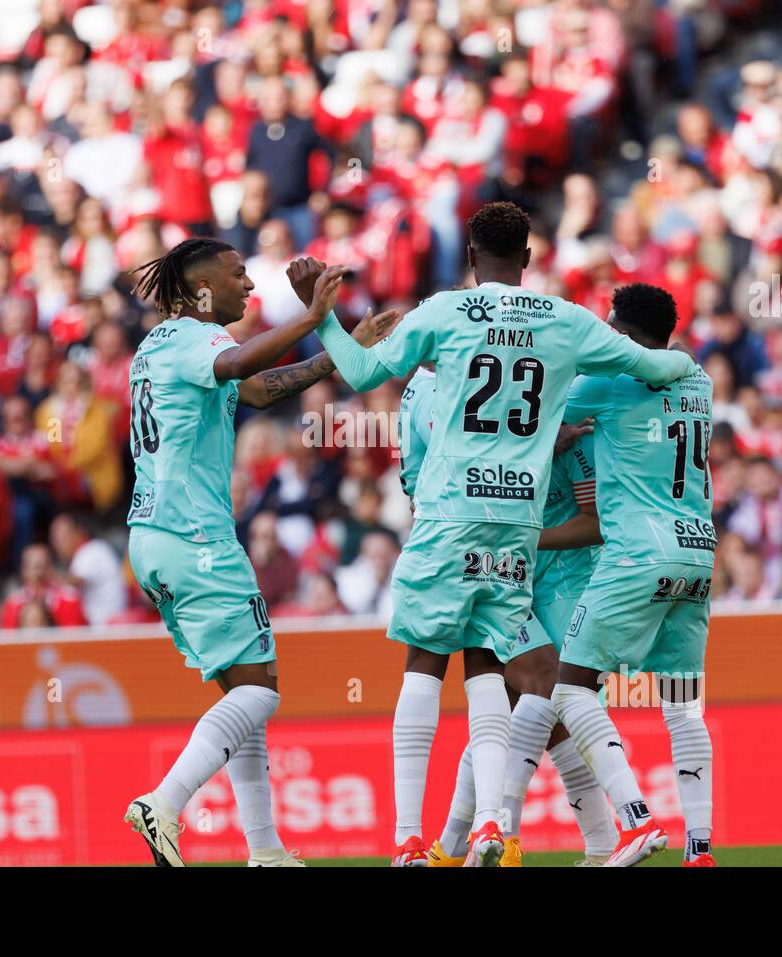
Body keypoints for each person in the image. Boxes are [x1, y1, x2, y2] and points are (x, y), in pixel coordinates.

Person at [306, 202, 695, 866]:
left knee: (426, 661)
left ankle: (408, 836)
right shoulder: (567, 321)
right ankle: (489, 823)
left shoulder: (443, 312)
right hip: (518, 522)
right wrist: (684, 374)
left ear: (468, 257)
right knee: (490, 662)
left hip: (450, 512)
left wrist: (322, 319)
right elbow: (659, 370)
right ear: (530, 259)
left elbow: (365, 372)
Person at [120, 238, 397, 868]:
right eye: (239, 275)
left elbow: (262, 389)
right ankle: (164, 803)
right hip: (197, 539)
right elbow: (245, 367)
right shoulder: (196, 339)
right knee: (261, 695)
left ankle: (266, 851)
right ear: (201, 289)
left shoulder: (159, 347)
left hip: (153, 539)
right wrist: (312, 315)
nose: (249, 287)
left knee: (243, 693)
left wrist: (342, 347)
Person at [403, 368, 617, 868]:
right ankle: (505, 834)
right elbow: (421, 489)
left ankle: (458, 842)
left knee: (536, 706)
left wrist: (523, 533)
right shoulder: (429, 395)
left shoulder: (564, 410)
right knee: (542, 690)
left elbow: (595, 521)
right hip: (492, 571)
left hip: (560, 580)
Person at [555, 282, 718, 868]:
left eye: (608, 325)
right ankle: (701, 850)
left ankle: (635, 822)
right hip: (698, 553)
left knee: (569, 685)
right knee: (681, 705)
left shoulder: (605, 384)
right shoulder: (699, 380)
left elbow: (529, 423)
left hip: (637, 554)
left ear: (621, 333)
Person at [48, 513, 126, 626]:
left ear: (78, 532)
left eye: (61, 537)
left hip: (105, 626)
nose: (57, 544)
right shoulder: (87, 551)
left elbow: (75, 581)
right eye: (55, 539)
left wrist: (46, 574)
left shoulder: (91, 550)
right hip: (101, 625)